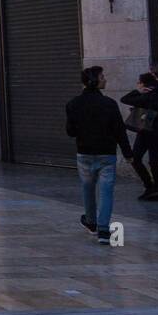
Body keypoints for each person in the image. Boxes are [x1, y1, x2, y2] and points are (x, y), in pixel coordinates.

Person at [65, 66, 132, 245]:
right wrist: (128, 154)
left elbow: (70, 131)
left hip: (85, 153)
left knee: (87, 188)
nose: (105, 79)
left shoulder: (73, 103)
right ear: (95, 80)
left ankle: (90, 221)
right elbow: (119, 131)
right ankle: (103, 230)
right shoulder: (109, 104)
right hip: (106, 154)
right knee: (106, 192)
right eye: (102, 76)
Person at [121, 73, 158, 201]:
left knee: (135, 159)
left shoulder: (145, 97)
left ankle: (149, 186)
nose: (138, 84)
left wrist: (137, 91)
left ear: (143, 84)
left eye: (139, 82)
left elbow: (124, 99)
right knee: (154, 162)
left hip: (145, 133)